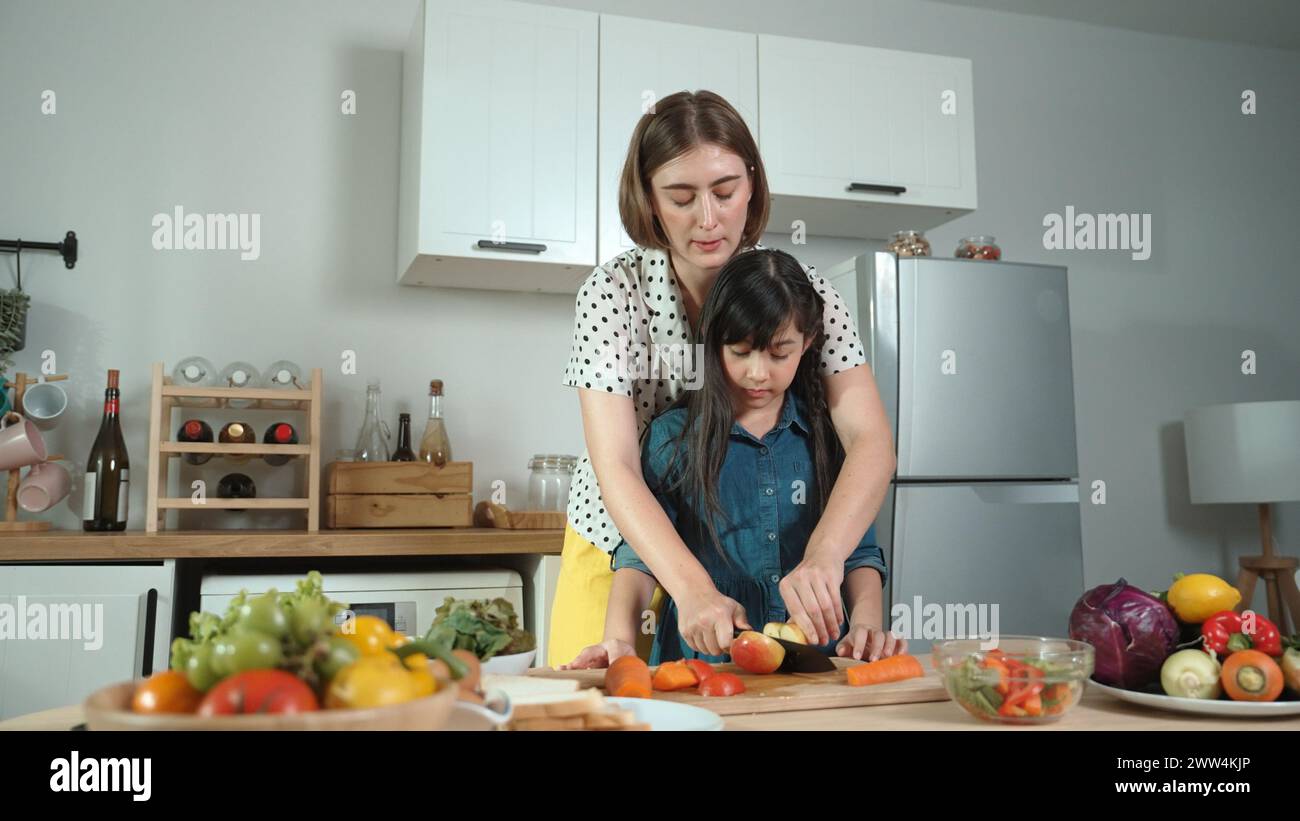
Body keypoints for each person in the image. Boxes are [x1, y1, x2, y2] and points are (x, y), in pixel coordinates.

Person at [550, 90, 897, 666]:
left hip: (742, 540)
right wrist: (688, 588)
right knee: (597, 702)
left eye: (725, 191)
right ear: (649, 201)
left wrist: (825, 555)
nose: (708, 219)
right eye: (681, 198)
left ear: (753, 185)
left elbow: (870, 441)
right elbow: (616, 464)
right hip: (623, 540)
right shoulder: (613, 293)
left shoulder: (799, 292)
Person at [564, 249, 907, 667]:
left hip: (816, 663)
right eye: (740, 352)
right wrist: (618, 638)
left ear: (809, 341)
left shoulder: (831, 442)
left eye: (780, 353)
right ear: (712, 341)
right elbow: (638, 561)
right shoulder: (672, 439)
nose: (759, 373)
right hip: (702, 664)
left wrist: (866, 624)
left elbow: (859, 551)